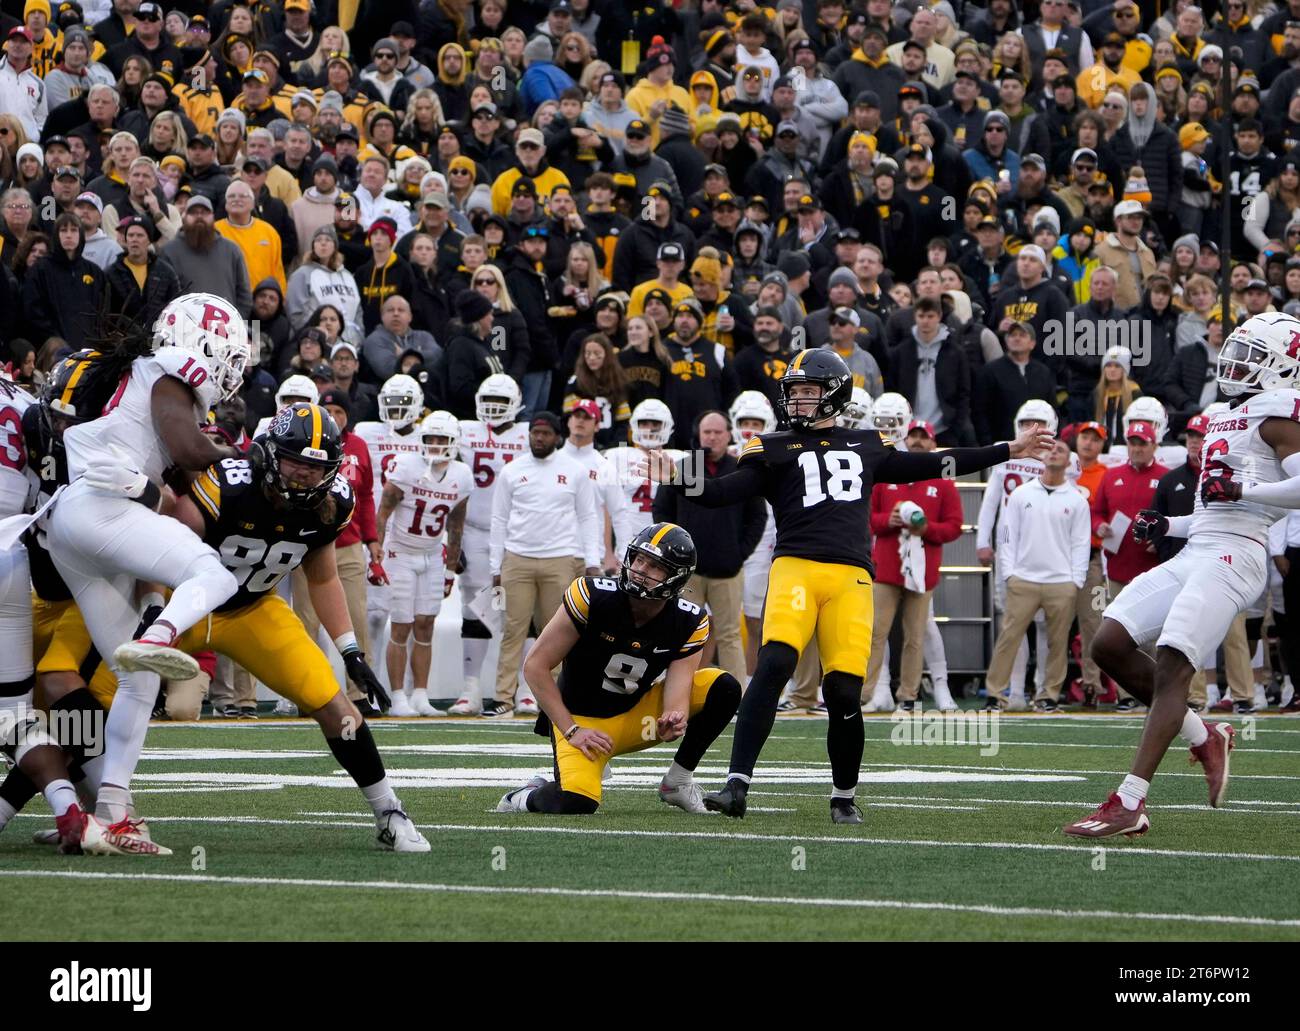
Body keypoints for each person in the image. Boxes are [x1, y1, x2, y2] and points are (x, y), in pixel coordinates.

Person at [645, 349, 1053, 822]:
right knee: (775, 661)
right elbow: (720, 494)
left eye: (806, 392)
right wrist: (678, 475)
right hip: (796, 567)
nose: (797, 401)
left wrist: (1008, 449)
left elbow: (936, 463)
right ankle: (736, 785)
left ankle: (843, 796)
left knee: (842, 690)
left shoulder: (868, 443)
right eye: (793, 392)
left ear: (833, 394)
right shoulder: (772, 447)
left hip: (852, 577)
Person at [1065, 312, 1300, 837]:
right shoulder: (1224, 414)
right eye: (1238, 351)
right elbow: (1214, 507)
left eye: (1254, 356)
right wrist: (1169, 522)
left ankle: (1129, 802)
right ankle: (1204, 735)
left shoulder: (1283, 412)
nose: (1238, 363)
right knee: (1108, 642)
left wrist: (1245, 492)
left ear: (1282, 366)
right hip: (1199, 548)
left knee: (1173, 661)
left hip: (1237, 555)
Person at [41, 293, 252, 854]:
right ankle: (159, 633)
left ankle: (112, 811)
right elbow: (185, 445)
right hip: (103, 510)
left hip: (71, 526)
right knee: (216, 575)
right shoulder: (172, 372)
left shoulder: (140, 377)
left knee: (139, 678)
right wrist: (235, 454)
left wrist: (203, 458)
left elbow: (173, 470)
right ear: (207, 345)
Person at [495, 522, 743, 816]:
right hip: (579, 719)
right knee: (577, 802)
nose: (640, 569)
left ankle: (678, 781)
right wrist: (572, 730)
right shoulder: (592, 596)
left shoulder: (689, 621)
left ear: (676, 578)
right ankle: (522, 797)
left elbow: (679, 689)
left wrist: (672, 719)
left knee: (725, 687)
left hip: (635, 716)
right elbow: (536, 666)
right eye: (639, 559)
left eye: (654, 566)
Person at [488, 411, 602, 717]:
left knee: (556, 633)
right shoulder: (512, 471)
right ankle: (503, 697)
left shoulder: (575, 471)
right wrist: (494, 566)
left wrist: (592, 562)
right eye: (535, 432)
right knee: (513, 629)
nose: (539, 438)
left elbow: (588, 516)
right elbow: (498, 519)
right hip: (517, 558)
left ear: (557, 437)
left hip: (561, 558)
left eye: (546, 433)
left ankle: (552, 699)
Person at [652, 410, 766, 681]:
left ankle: (736, 695)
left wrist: (739, 552)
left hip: (728, 569)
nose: (712, 437)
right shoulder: (683, 467)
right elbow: (662, 510)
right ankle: (679, 692)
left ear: (729, 435)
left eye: (717, 432)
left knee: (730, 635)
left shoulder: (742, 469)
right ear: (698, 434)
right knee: (683, 634)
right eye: (707, 432)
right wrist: (673, 555)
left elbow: (757, 516)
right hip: (687, 571)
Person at [373, 411, 472, 717]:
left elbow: (456, 525)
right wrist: (376, 551)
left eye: (442, 439)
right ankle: (397, 695)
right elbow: (383, 511)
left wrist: (449, 569)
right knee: (401, 625)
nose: (436, 444)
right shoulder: (407, 466)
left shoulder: (461, 475)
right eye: (431, 438)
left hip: (431, 555)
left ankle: (420, 695)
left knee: (426, 624)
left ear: (453, 442)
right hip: (400, 552)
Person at [863, 419, 964, 711]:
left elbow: (954, 526)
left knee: (915, 635)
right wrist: (888, 521)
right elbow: (867, 518)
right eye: (913, 436)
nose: (918, 441)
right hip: (885, 567)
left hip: (923, 570)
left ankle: (908, 694)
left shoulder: (942, 482)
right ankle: (868, 693)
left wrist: (927, 530)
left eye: (924, 437)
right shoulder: (885, 476)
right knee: (875, 633)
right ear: (905, 441)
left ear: (933, 443)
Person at [985, 437, 1091, 712]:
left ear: (1069, 462)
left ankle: (1048, 696)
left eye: (1061, 450)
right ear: (1041, 456)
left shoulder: (1077, 500)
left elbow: (1081, 543)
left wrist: (1075, 581)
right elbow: (1008, 536)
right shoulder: (1021, 494)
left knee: (1058, 643)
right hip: (1024, 579)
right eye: (1051, 449)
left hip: (1061, 582)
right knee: (1009, 638)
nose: (1054, 452)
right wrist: (1010, 573)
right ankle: (996, 694)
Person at [447, 375, 530, 716]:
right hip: (476, 531)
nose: (494, 408)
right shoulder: (465, 430)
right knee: (475, 609)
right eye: (489, 399)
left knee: (525, 612)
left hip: (519, 533)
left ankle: (526, 688)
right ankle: (471, 689)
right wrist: (454, 540)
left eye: (501, 400)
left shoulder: (529, 435)